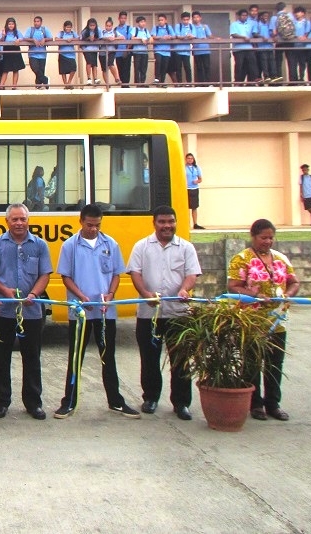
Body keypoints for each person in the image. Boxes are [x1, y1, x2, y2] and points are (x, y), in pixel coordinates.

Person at [53, 203, 139, 419]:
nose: (93, 229)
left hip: (104, 311)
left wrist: (110, 294)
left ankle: (116, 401)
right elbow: (66, 277)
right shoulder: (70, 246)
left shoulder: (110, 244)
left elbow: (117, 274)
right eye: (90, 225)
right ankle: (69, 402)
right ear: (81, 221)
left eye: (97, 225)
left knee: (107, 356)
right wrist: (80, 296)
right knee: (76, 358)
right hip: (80, 312)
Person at [128, 205, 201, 420]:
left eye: (171, 221)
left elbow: (192, 274)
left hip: (178, 313)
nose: (167, 226)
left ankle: (181, 403)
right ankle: (150, 398)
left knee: (181, 360)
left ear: (176, 222)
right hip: (148, 315)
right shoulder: (142, 246)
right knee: (149, 359)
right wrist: (145, 293)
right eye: (162, 222)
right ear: (154, 223)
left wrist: (184, 289)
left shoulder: (186, 248)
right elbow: (135, 272)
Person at [0, 203, 52, 420]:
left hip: (31, 312)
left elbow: (45, 274)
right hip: (3, 311)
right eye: (15, 219)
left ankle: (33, 403)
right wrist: (4, 290)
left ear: (28, 220)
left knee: (32, 357)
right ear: (7, 222)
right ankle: (2, 401)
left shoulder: (39, 245)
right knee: (1, 358)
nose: (19, 223)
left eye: (22, 219)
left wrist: (34, 294)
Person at [227, 218, 300, 421]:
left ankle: (273, 404)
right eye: (263, 237)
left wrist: (289, 294)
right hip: (251, 320)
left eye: (270, 237)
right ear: (253, 237)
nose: (267, 241)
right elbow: (233, 286)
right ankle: (255, 404)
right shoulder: (242, 259)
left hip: (277, 321)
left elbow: (294, 282)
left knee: (274, 364)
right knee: (251, 363)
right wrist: (253, 294)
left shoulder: (280, 259)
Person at [230, 9, 257, 84]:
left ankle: (251, 82)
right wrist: (243, 37)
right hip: (238, 49)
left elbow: (253, 34)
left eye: (246, 15)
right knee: (239, 66)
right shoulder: (234, 24)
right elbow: (233, 34)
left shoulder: (250, 24)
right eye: (242, 15)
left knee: (251, 65)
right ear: (239, 16)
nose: (244, 17)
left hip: (249, 48)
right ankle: (238, 82)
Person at [0, 17, 25, 88]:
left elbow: (22, 38)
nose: (11, 25)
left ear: (14, 25)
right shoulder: (4, 31)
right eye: (9, 24)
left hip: (15, 50)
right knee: (5, 69)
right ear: (7, 25)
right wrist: (3, 35)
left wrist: (19, 39)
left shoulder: (17, 32)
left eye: (12, 24)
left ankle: (14, 86)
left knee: (16, 69)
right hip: (7, 50)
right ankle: (1, 85)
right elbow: (1, 41)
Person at [25, 15, 51, 88]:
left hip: (42, 54)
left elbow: (51, 38)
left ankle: (38, 85)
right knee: (35, 68)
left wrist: (44, 39)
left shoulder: (44, 29)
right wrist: (33, 40)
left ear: (41, 22)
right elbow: (25, 38)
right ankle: (46, 80)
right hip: (32, 53)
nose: (36, 23)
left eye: (38, 21)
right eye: (35, 21)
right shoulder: (30, 29)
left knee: (41, 70)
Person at [185, 153, 203, 229]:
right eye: (188, 158)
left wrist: (197, 181)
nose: (190, 160)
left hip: (195, 188)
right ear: (186, 159)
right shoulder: (183, 168)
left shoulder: (196, 168)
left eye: (191, 158)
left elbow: (200, 179)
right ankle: (186, 223)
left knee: (194, 207)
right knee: (186, 206)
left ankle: (195, 224)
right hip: (186, 189)